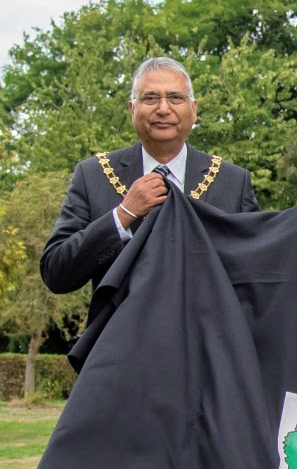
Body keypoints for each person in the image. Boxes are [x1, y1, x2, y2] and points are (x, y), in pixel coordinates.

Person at [41, 57, 259, 306]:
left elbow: (258, 275)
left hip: (206, 330)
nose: (163, 109)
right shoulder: (94, 175)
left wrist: (294, 234)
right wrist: (123, 215)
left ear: (193, 108)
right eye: (150, 98)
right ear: (132, 109)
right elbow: (56, 273)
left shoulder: (232, 181)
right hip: (120, 330)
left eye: (175, 97)